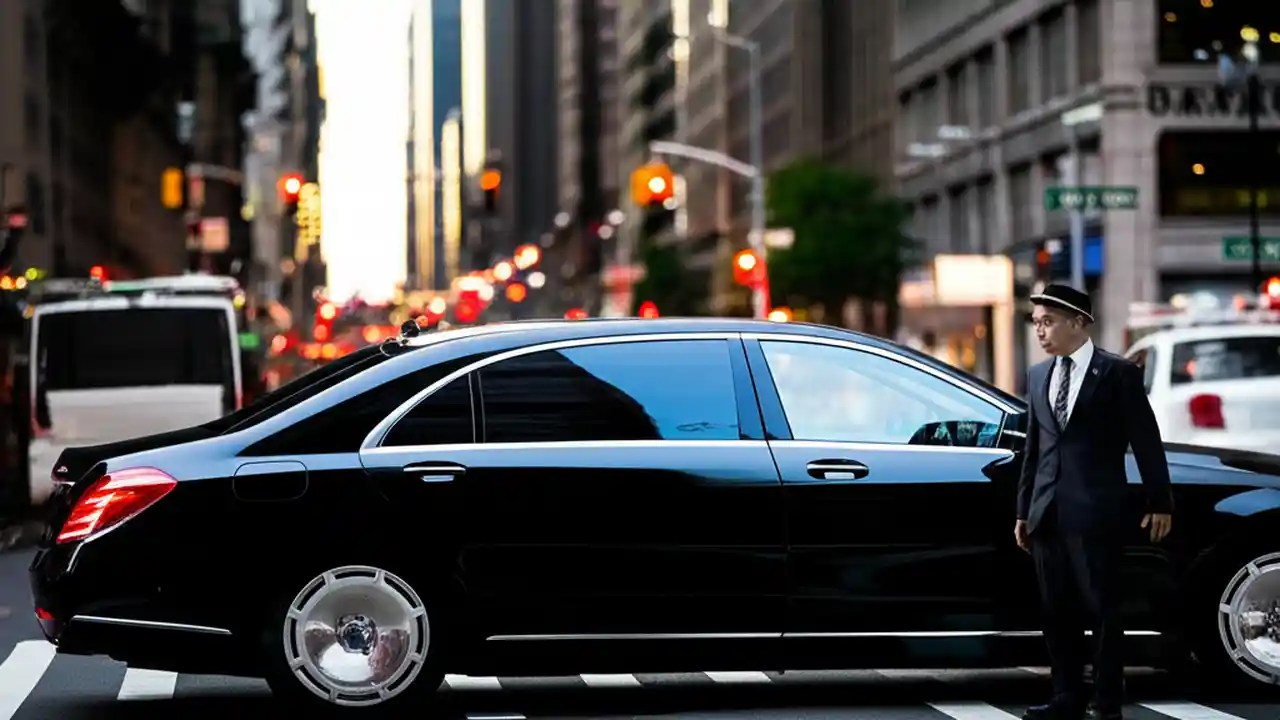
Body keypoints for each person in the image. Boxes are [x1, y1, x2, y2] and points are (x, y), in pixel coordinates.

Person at [1014, 283, 1174, 720]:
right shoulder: (1037, 375)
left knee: (1103, 609)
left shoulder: (1118, 373)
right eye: (1036, 323)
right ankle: (1066, 695)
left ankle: (1106, 702)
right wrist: (1023, 510)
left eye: (1048, 322)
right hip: (1047, 514)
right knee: (1056, 611)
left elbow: (1146, 440)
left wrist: (1160, 500)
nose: (1040, 332)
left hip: (1098, 512)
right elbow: (1034, 449)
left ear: (1079, 323)